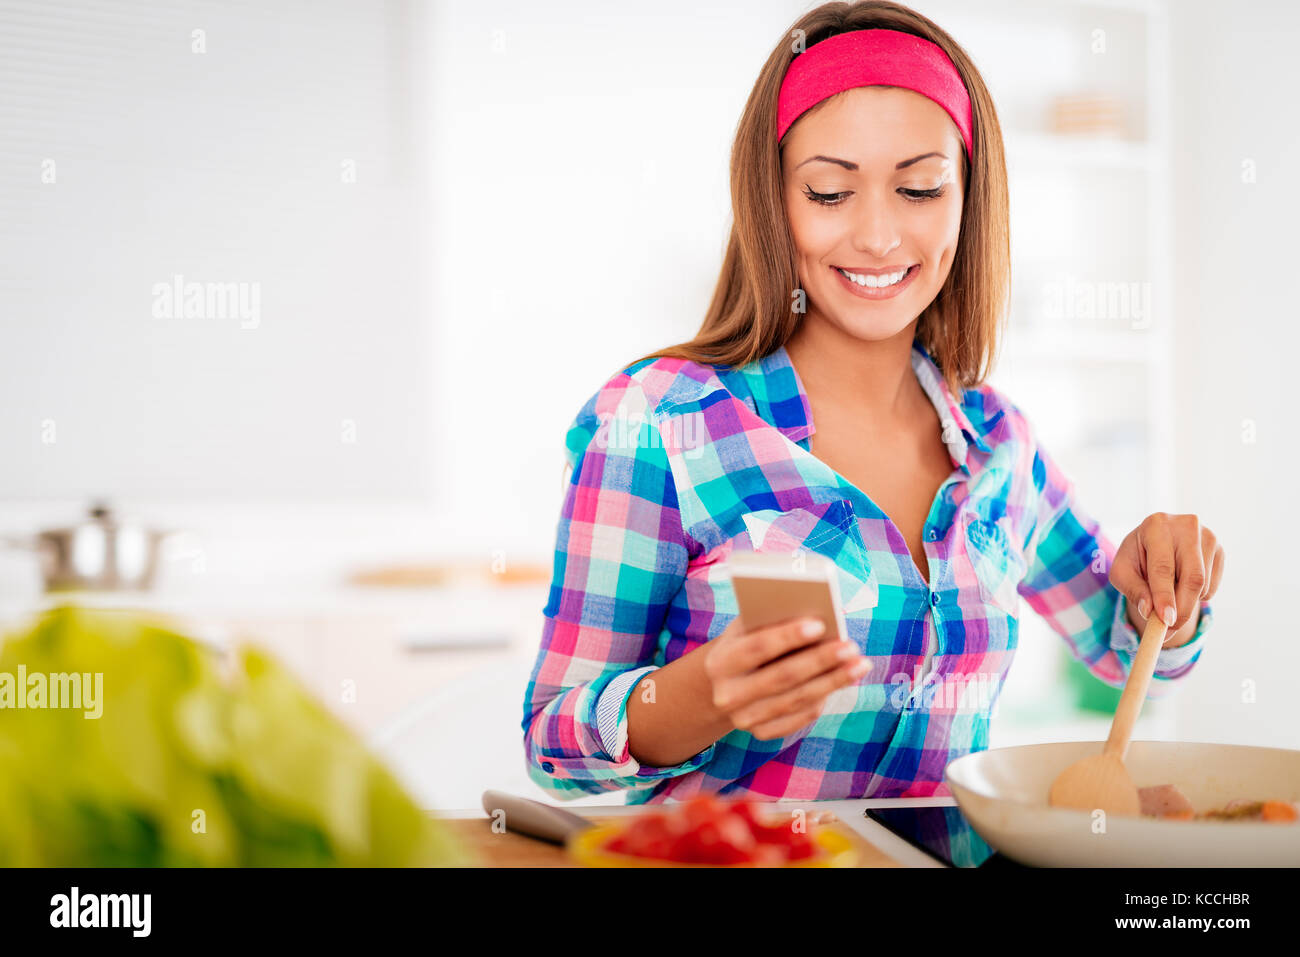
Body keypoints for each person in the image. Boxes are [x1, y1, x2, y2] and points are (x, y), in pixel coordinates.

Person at [522, 1, 1223, 804]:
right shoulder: (657, 421)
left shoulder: (998, 443)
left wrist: (1167, 582)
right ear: (773, 201)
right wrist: (697, 697)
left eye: (920, 188)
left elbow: (1136, 654)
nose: (879, 236)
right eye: (829, 192)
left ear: (967, 198)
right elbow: (553, 741)